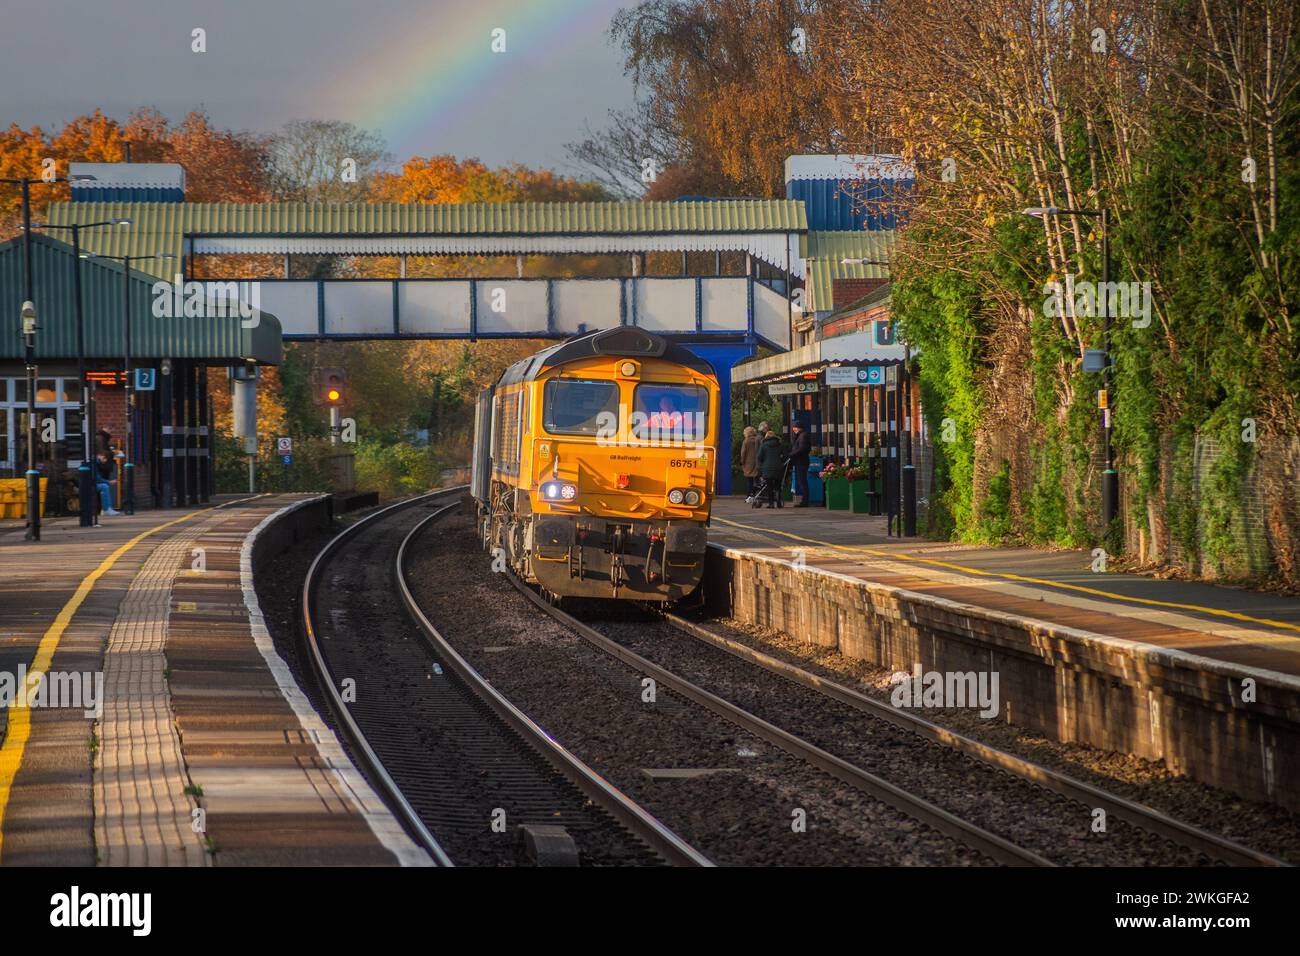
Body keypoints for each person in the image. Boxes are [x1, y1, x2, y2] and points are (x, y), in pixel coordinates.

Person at [757, 426, 786, 508]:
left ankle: (771, 504)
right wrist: (781, 461)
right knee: (778, 486)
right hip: (778, 468)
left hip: (767, 468)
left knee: (769, 487)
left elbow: (759, 457)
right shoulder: (780, 445)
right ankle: (779, 503)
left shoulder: (763, 445)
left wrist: (764, 463)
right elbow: (785, 456)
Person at [789, 418, 812, 507]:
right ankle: (804, 500)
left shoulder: (803, 436)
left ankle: (805, 501)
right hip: (800, 461)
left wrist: (792, 454)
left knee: (802, 481)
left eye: (795, 427)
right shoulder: (800, 436)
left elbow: (801, 449)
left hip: (801, 461)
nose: (793, 429)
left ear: (799, 428)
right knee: (801, 481)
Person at [95, 451, 120, 516]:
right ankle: (106, 509)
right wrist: (109, 482)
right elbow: (97, 478)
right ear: (102, 456)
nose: (105, 461)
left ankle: (105, 509)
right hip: (90, 484)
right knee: (104, 486)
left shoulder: (96, 462)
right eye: (105, 459)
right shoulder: (95, 463)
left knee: (104, 486)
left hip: (90, 483)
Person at [739, 425, 761, 495]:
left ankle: (750, 495)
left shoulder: (746, 441)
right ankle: (757, 494)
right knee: (757, 479)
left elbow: (743, 453)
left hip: (748, 463)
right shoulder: (757, 440)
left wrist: (742, 461)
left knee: (749, 480)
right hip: (757, 462)